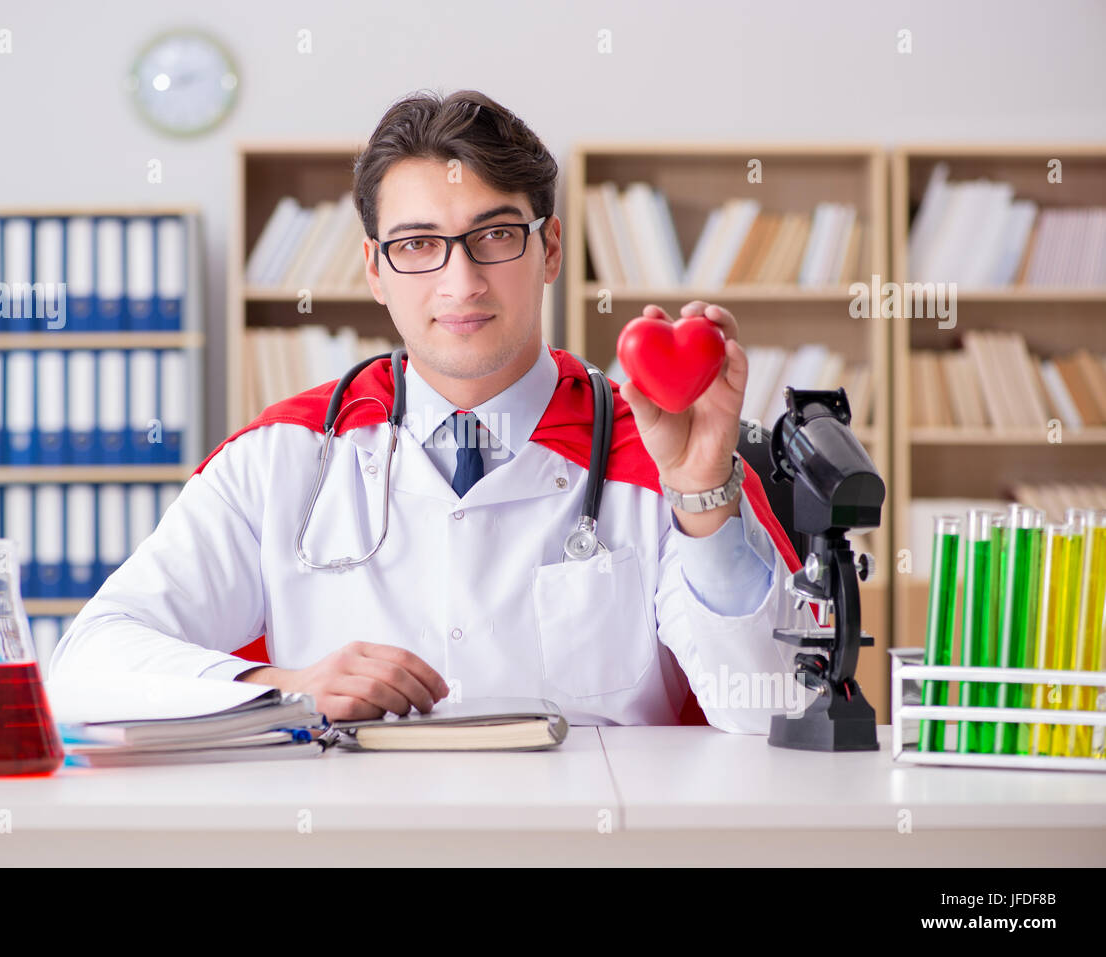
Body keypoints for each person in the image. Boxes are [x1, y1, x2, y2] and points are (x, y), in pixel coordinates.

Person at [50, 89, 812, 731]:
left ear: (550, 249)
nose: (461, 282)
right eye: (418, 245)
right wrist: (286, 688)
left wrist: (705, 497)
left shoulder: (659, 460)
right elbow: (86, 665)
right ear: (375, 269)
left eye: (494, 235)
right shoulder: (281, 456)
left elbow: (784, 711)